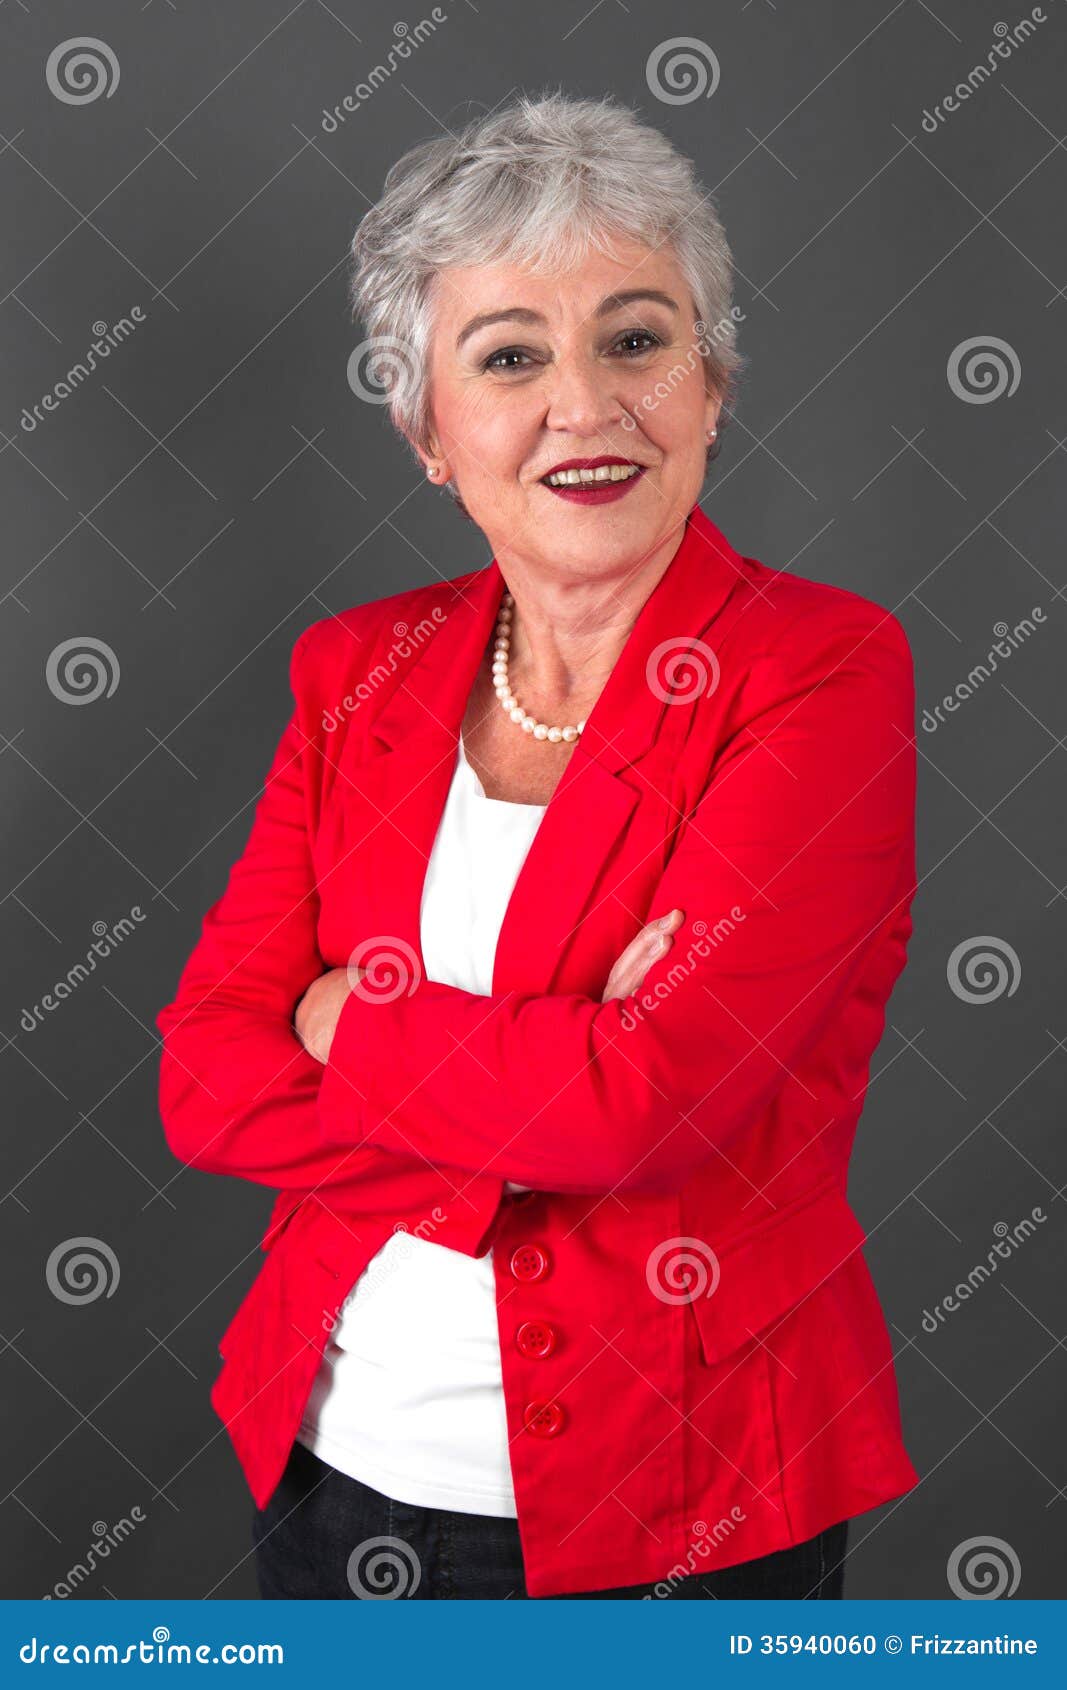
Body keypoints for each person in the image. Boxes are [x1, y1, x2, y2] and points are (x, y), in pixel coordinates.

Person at [157, 92, 919, 1600]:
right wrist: (543, 1069)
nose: (585, 404)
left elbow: (645, 1103)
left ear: (711, 384)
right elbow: (205, 1079)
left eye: (637, 339)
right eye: (509, 356)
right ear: (431, 429)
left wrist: (342, 1013)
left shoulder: (819, 672)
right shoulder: (354, 669)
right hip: (330, 1458)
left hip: (682, 1505)